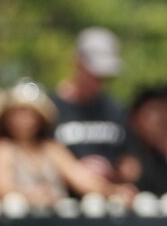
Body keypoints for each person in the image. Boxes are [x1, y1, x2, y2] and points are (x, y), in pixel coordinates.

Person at [0, 81, 135, 209]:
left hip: (55, 225)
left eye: (29, 113)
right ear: (7, 117)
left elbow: (81, 179)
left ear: (39, 117)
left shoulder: (52, 149)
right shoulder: (3, 148)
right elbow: (1, 187)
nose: (23, 120)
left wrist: (112, 190)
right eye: (17, 113)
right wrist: (31, 196)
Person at [51, 27, 133, 183]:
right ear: (77, 63)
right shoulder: (51, 109)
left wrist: (116, 172)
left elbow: (130, 160)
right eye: (94, 74)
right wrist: (74, 171)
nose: (100, 81)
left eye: (105, 76)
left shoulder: (116, 110)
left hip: (109, 200)